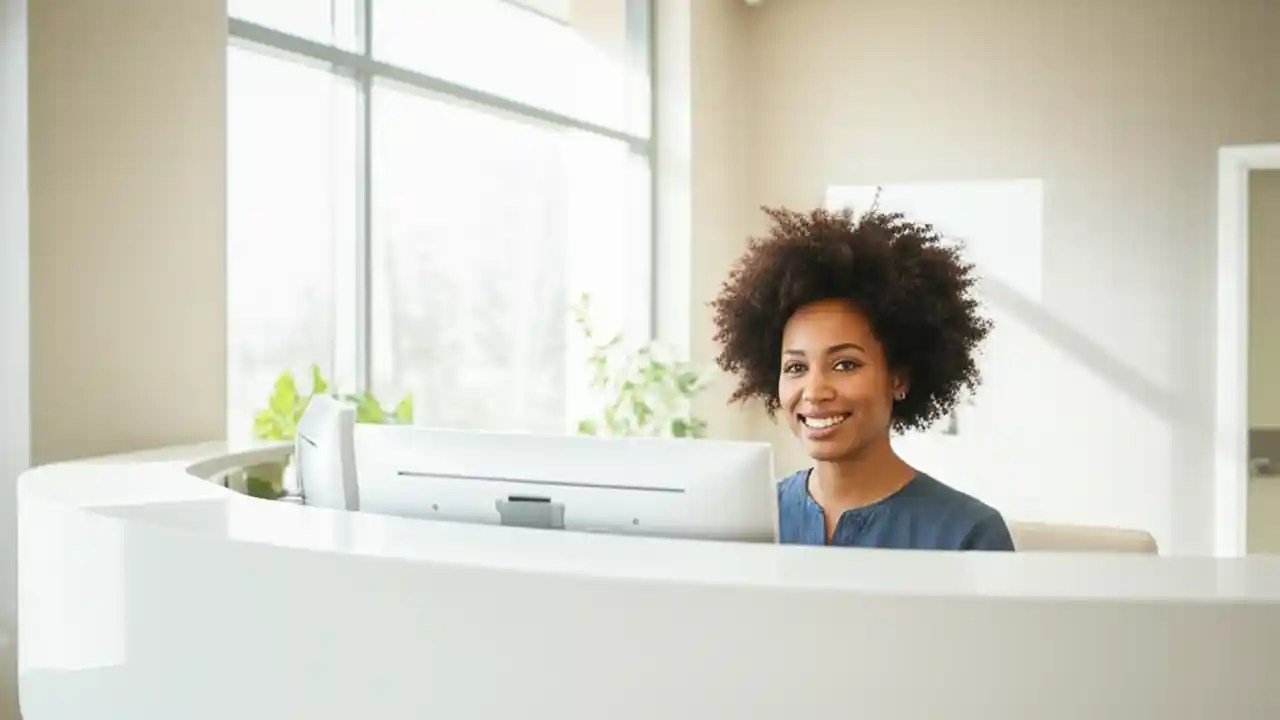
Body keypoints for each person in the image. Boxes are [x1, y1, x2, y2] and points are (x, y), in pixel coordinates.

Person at [711, 205, 1015, 551]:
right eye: (796, 367)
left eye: (845, 364)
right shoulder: (746, 523)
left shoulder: (967, 534)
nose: (814, 391)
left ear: (898, 378)